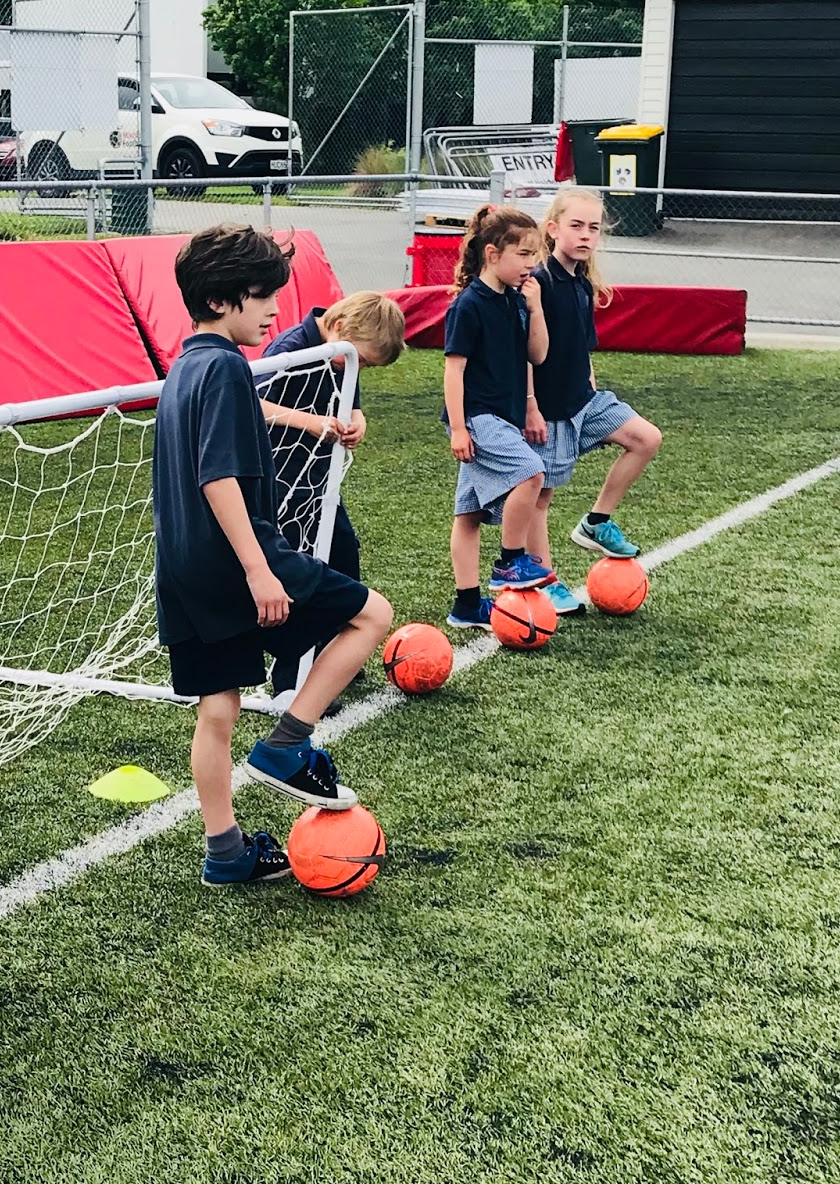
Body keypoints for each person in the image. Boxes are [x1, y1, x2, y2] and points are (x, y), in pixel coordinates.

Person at [154, 225, 393, 887]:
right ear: (226, 298)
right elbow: (217, 477)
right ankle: (287, 746)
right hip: (239, 560)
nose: (273, 313)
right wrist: (259, 568)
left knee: (218, 708)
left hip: (181, 568)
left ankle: (225, 852)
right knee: (371, 615)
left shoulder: (182, 365)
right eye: (263, 299)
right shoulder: (228, 367)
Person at [258, 290, 406, 701]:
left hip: (320, 484)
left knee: (343, 553)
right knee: (302, 577)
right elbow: (253, 403)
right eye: (356, 358)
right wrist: (309, 423)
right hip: (280, 487)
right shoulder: (289, 349)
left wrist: (358, 420)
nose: (355, 367)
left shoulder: (345, 353)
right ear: (339, 328)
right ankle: (292, 681)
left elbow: (350, 401)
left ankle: (341, 654)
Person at [524, 187, 663, 617]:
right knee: (539, 498)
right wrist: (530, 405)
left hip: (585, 400)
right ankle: (543, 580)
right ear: (553, 229)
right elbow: (525, 350)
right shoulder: (538, 282)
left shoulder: (583, 283)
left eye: (594, 228)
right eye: (576, 226)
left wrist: (590, 381)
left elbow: (581, 347)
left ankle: (596, 522)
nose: (586, 235)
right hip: (548, 408)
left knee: (646, 438)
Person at [442, 205, 554, 631]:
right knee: (531, 472)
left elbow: (536, 355)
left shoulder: (518, 299)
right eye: (524, 254)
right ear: (492, 253)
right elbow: (454, 370)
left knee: (468, 516)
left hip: (504, 416)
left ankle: (467, 606)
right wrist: (457, 428)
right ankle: (510, 561)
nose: (532, 264)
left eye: (536, 255)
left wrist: (537, 309)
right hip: (478, 416)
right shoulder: (468, 305)